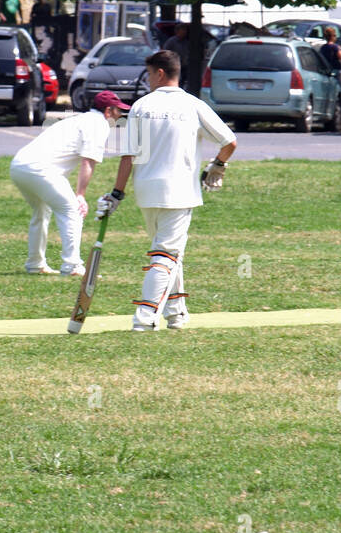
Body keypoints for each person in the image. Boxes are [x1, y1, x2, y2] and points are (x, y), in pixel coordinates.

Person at [96, 51, 236, 332]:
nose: (148, 80)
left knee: (169, 253)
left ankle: (176, 312)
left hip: (147, 192)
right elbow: (229, 141)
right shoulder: (192, 105)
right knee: (166, 254)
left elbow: (128, 156)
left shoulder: (139, 106)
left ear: (160, 73)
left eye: (149, 74)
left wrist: (116, 194)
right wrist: (218, 166)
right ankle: (145, 319)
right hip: (181, 191)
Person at [10, 90, 130, 276]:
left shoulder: (79, 119)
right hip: (39, 169)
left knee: (41, 211)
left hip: (19, 166)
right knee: (72, 210)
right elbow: (87, 161)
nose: (119, 115)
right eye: (117, 111)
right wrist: (80, 195)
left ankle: (35, 263)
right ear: (108, 111)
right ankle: (72, 266)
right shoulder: (99, 125)